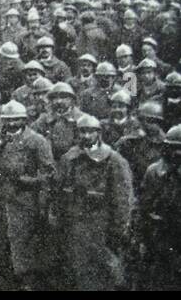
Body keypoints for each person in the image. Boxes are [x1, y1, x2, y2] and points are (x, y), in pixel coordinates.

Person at [0, 100, 55, 290]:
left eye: (16, 120)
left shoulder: (37, 141)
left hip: (25, 203)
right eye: (8, 120)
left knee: (24, 249)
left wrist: (28, 180)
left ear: (24, 120)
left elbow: (48, 173)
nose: (11, 124)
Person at [53, 115, 133, 290]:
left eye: (91, 131)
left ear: (99, 133)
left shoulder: (114, 160)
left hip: (102, 228)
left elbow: (122, 200)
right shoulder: (69, 158)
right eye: (82, 131)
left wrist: (119, 229)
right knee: (76, 273)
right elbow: (58, 192)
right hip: (74, 226)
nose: (86, 136)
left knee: (103, 275)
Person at [136, 125, 181, 290]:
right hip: (160, 239)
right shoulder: (155, 172)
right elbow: (143, 207)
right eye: (174, 148)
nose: (177, 153)